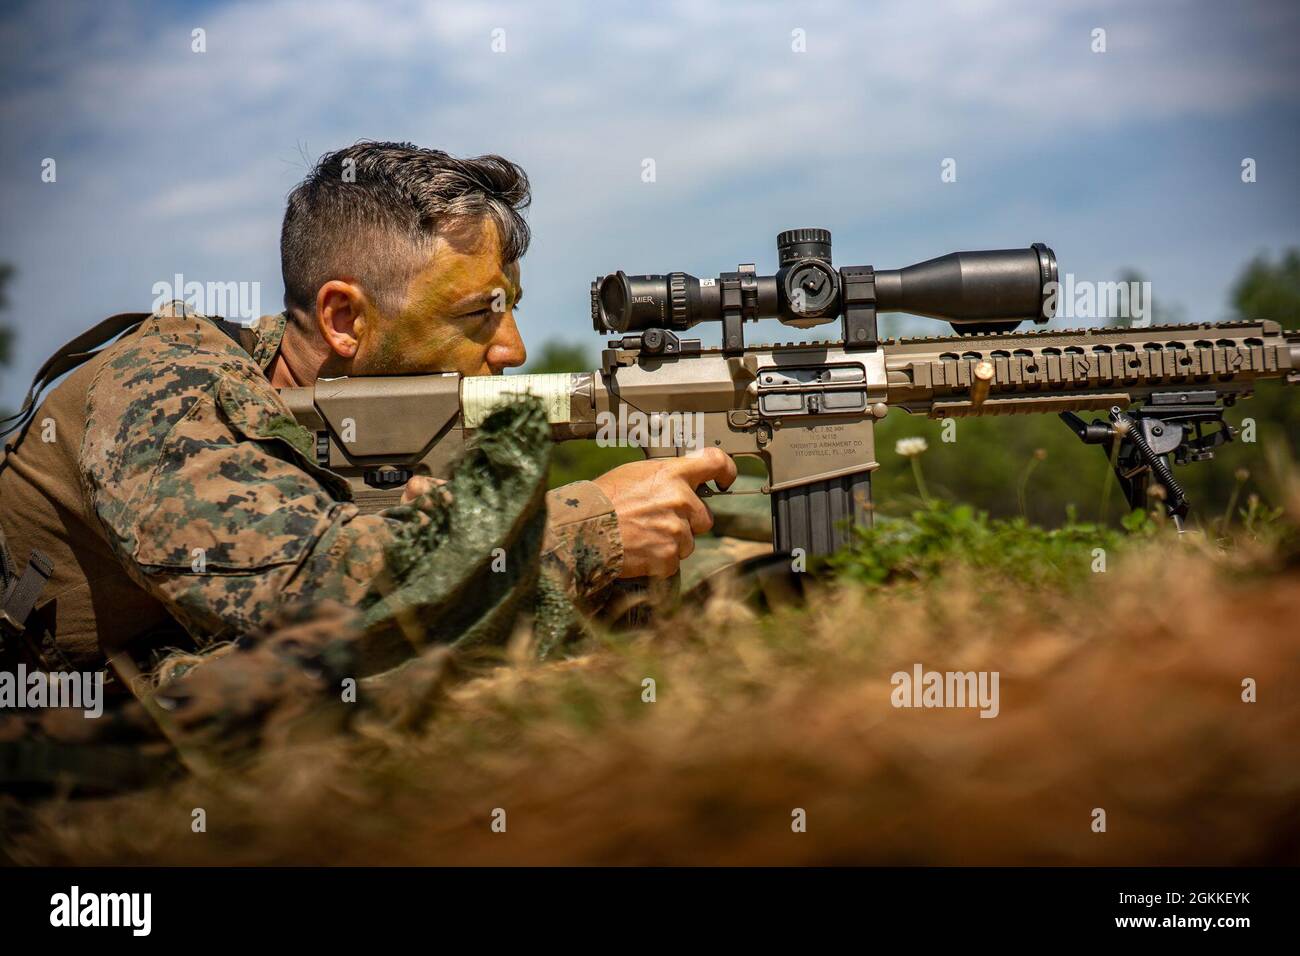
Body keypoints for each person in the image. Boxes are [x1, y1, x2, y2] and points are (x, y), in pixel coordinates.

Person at [0, 143, 735, 785]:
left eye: (509, 306)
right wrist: (596, 524)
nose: (513, 348)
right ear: (344, 319)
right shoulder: (164, 388)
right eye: (479, 313)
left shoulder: (375, 414)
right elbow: (322, 605)